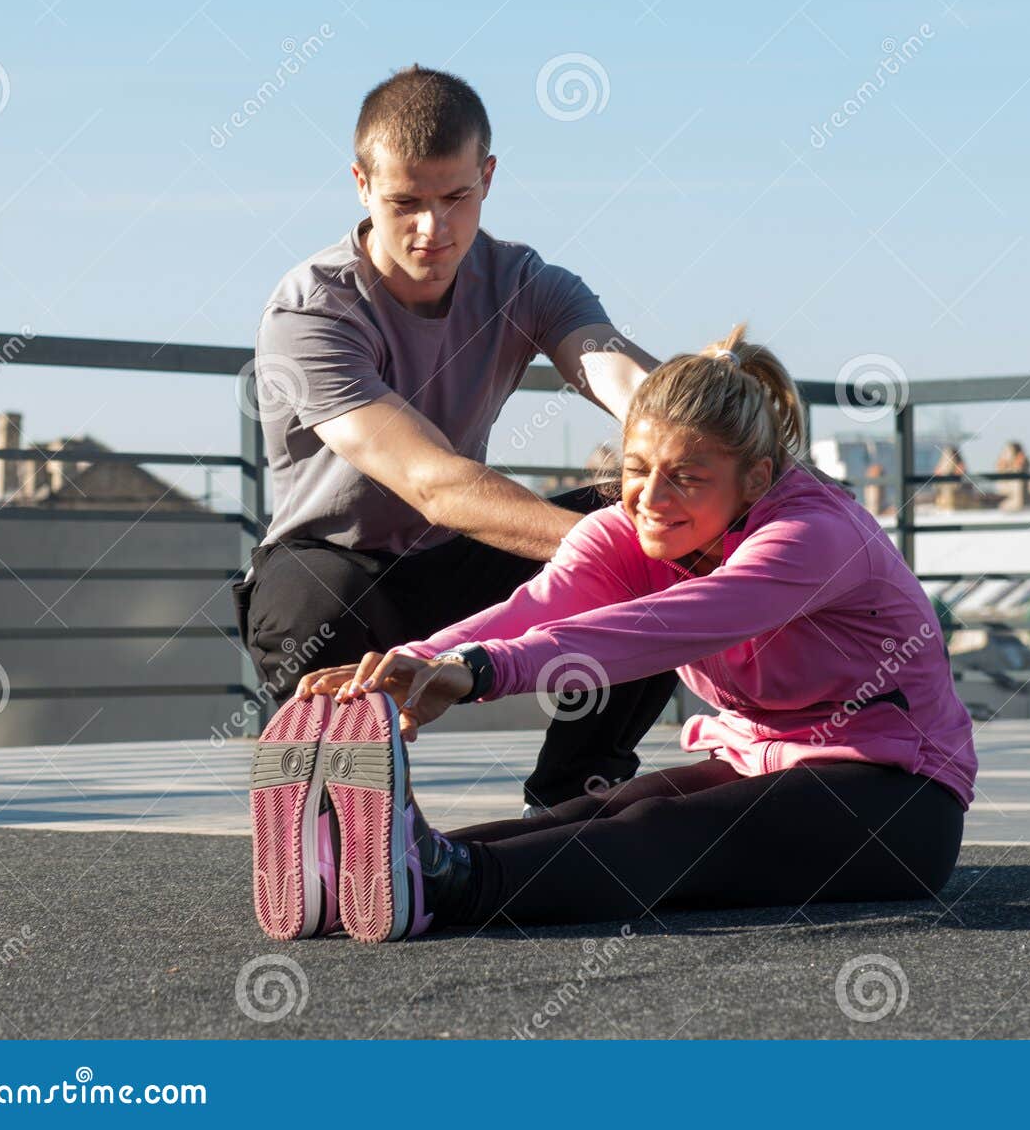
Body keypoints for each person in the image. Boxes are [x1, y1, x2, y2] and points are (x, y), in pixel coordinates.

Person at [254, 325, 977, 941]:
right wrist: (411, 663)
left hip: (897, 799)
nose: (652, 501)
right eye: (637, 470)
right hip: (767, 763)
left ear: (754, 478)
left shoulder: (812, 539)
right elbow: (538, 606)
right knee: (601, 808)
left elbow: (665, 627)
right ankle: (376, 866)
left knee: (663, 830)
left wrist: (477, 672)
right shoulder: (631, 532)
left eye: (687, 477)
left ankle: (449, 885)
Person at [233, 65, 676, 824]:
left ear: (488, 178)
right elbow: (432, 480)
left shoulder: (523, 280)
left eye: (456, 198)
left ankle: (574, 799)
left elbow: (619, 375)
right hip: (334, 566)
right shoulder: (310, 311)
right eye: (406, 202)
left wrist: (695, 446)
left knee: (662, 542)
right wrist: (604, 548)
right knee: (321, 606)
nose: (433, 230)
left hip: (457, 556)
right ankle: (349, 817)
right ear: (362, 184)